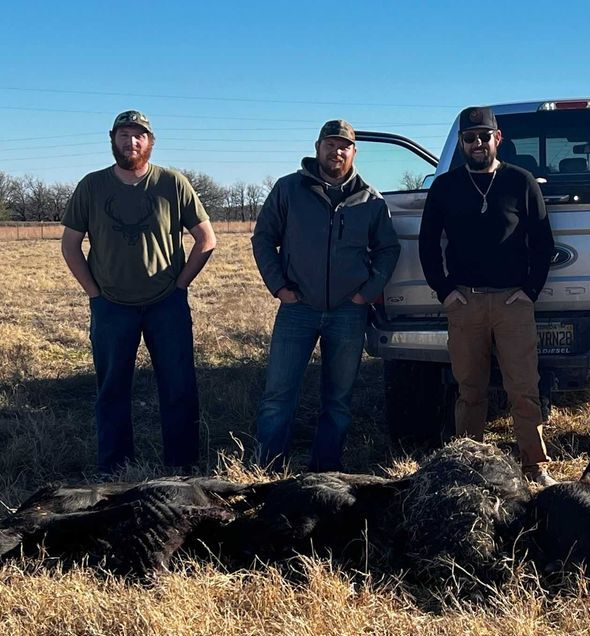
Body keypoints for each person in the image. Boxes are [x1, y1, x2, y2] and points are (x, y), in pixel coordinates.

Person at [61, 110, 217, 474]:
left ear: (150, 142)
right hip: (112, 307)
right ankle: (115, 468)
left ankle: (182, 466)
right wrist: (94, 294)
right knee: (112, 389)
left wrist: (180, 286)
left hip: (167, 304)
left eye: (139, 136)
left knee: (179, 387)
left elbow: (206, 238)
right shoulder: (92, 186)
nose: (131, 142)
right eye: (124, 135)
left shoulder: (173, 183)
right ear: (112, 139)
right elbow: (70, 245)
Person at [252, 119, 400, 472]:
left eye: (344, 145)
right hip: (297, 308)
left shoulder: (370, 198)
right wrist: (280, 288)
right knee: (278, 396)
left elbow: (388, 249)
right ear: (317, 147)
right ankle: (267, 470)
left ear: (354, 152)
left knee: (338, 400)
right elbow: (262, 239)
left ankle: (325, 472)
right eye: (330, 144)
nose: (337, 151)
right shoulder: (289, 189)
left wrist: (366, 294)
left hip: (348, 313)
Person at [418, 106, 556, 485]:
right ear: (461, 143)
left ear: (498, 139)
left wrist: (530, 291)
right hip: (465, 302)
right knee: (470, 390)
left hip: (513, 302)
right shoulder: (445, 187)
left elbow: (543, 243)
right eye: (470, 138)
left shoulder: (521, 182)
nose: (477, 144)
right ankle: (468, 468)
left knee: (524, 389)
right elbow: (428, 244)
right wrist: (445, 291)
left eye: (484, 136)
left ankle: (535, 466)